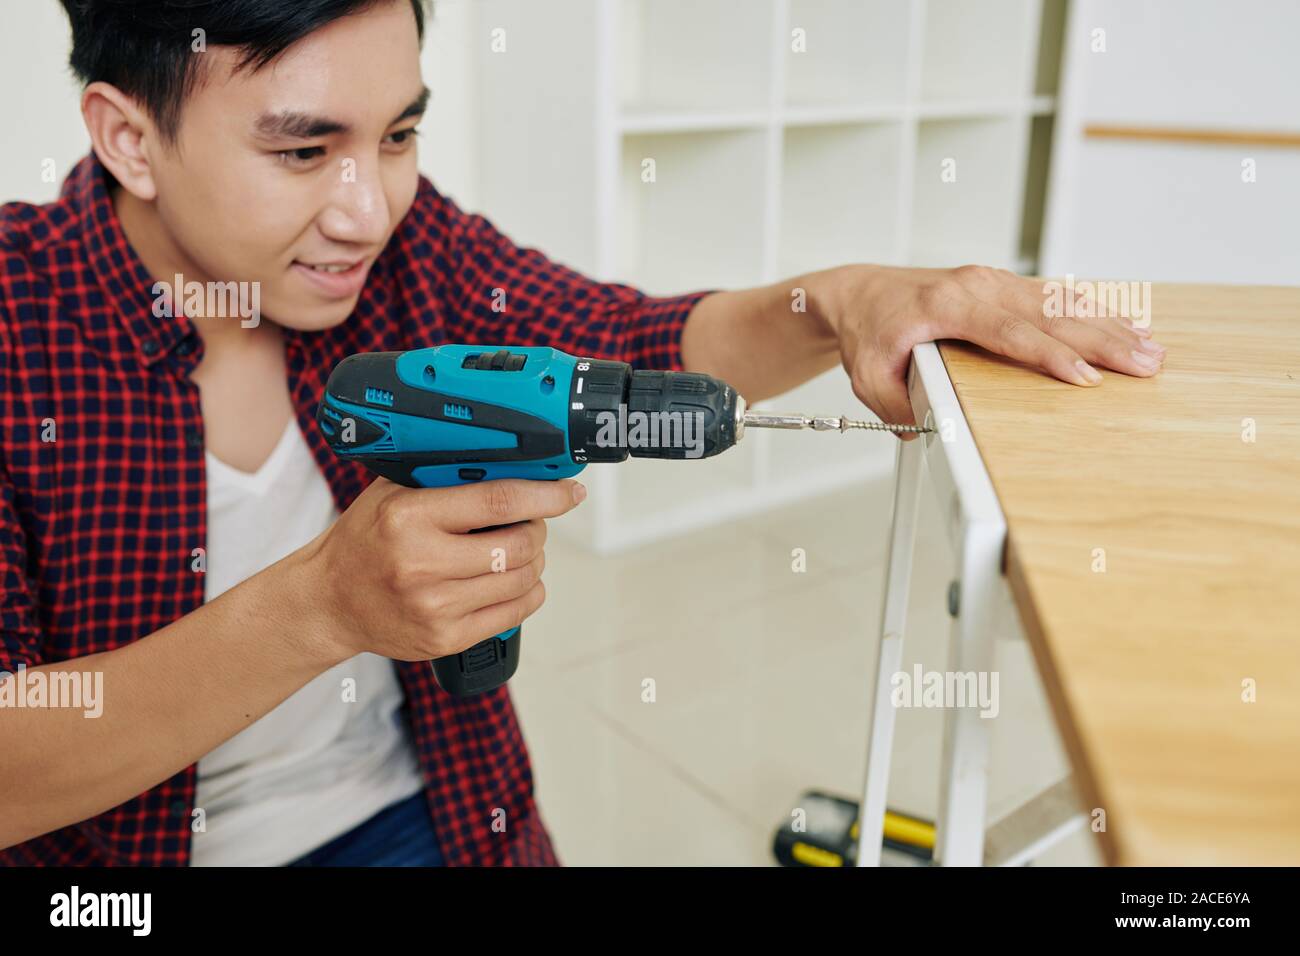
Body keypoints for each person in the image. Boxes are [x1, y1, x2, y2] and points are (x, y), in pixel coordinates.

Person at [0, 0, 1165, 867]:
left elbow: (639, 338)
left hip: (438, 814)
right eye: (302, 151)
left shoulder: (411, 248)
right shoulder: (15, 321)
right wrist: (321, 608)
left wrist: (843, 297)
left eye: (398, 134)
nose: (368, 208)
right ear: (128, 137)